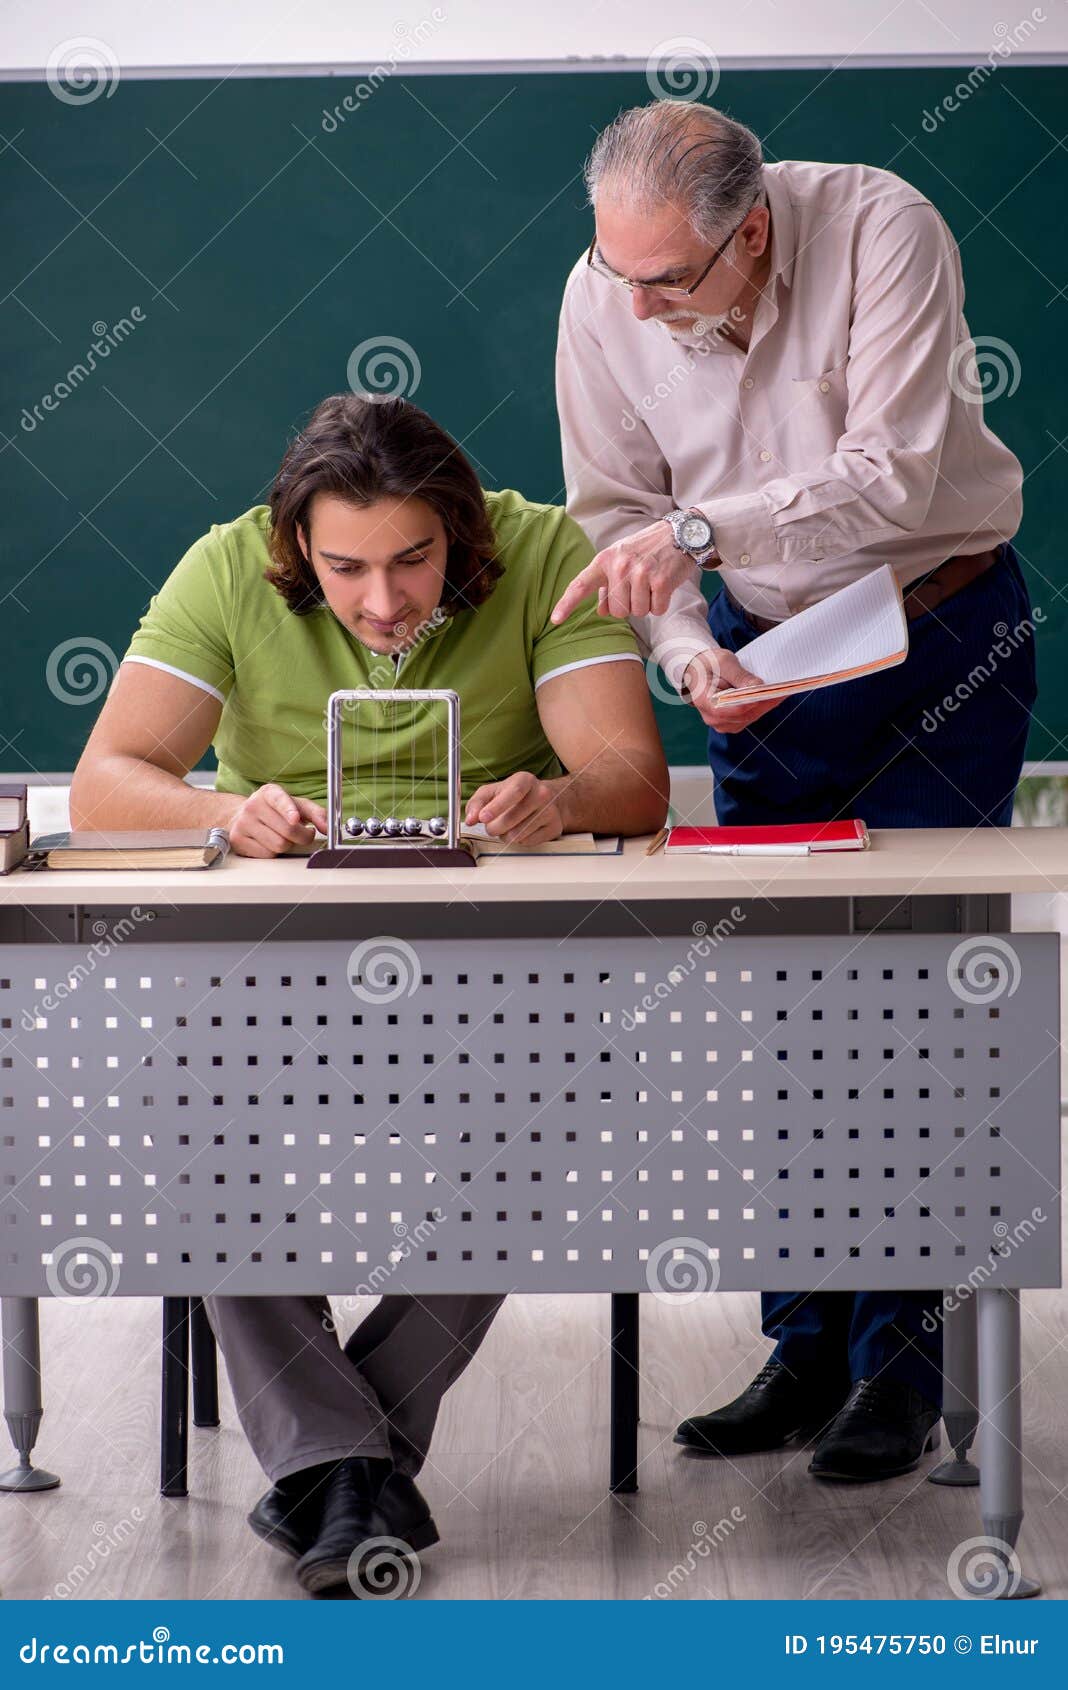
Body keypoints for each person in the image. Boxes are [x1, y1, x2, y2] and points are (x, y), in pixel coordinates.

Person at [70, 392, 669, 1593]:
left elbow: (634, 778)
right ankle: (361, 1465)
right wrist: (223, 815)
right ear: (295, 548)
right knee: (182, 1102)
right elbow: (106, 783)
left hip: (490, 967)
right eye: (345, 569)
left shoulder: (547, 548)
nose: (383, 602)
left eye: (413, 560)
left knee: (550, 1099)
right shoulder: (229, 567)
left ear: (460, 528)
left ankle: (333, 1462)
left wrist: (559, 799)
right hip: (271, 959)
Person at [554, 100, 1037, 1482]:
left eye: (666, 281)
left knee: (923, 1006)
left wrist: (698, 530)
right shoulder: (606, 288)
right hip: (764, 661)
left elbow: (894, 479)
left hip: (934, 623)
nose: (636, 307)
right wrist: (693, 647)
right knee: (787, 1017)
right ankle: (806, 1345)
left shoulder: (884, 226)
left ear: (750, 232)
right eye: (617, 273)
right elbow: (610, 511)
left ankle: (904, 1367)